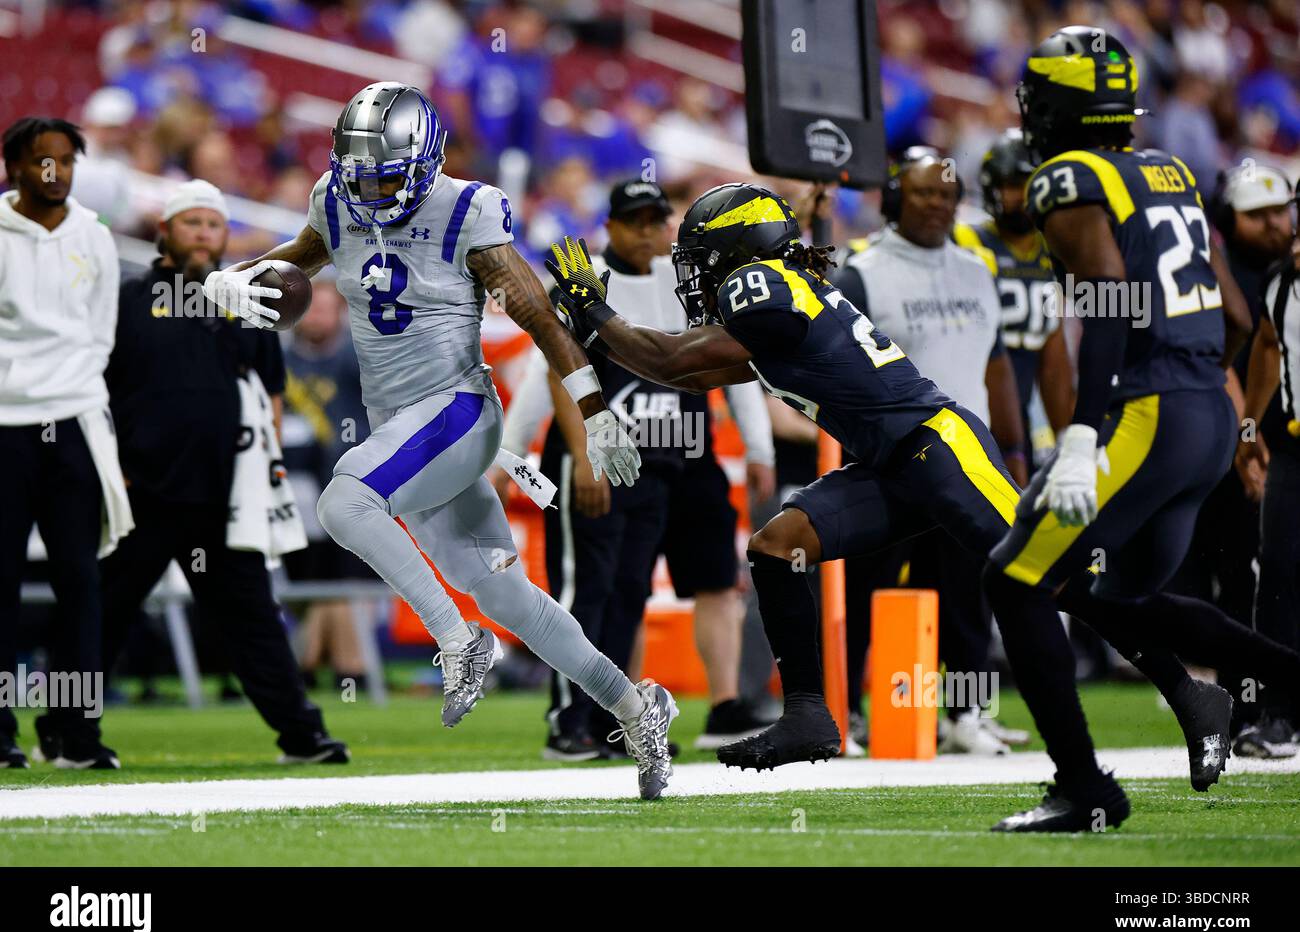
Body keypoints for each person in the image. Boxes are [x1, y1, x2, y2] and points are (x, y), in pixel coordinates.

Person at [547, 174, 1300, 830]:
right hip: (894, 462)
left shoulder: (762, 285)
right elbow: (687, 366)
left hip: (937, 447)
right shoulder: (780, 294)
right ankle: (809, 715)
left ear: (738, 253)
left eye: (702, 260)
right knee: (778, 545)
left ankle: (1197, 689)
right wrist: (602, 328)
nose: (696, 278)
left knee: (1064, 583)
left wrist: (594, 316)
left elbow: (675, 359)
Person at [202, 83, 676, 799]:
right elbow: (299, 258)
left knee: (344, 503)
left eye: (384, 177)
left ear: (426, 162)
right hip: (401, 427)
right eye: (358, 175)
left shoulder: (465, 210)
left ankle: (458, 641)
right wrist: (229, 280)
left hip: (457, 410)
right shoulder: (335, 200)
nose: (368, 191)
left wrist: (593, 410)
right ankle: (637, 709)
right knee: (508, 596)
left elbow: (540, 317)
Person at [983, 27, 1300, 832]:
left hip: (1149, 411)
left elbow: (1108, 302)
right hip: (1205, 409)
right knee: (1115, 595)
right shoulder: (1170, 172)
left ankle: (1084, 786)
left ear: (1056, 106)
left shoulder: (1069, 178)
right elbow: (1237, 315)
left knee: (1013, 577)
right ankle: (1246, 688)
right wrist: (1205, 393)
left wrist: (1084, 436)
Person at [503, 180, 774, 758]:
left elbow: (733, 364)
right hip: (600, 458)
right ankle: (567, 719)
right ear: (611, 226)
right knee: (586, 591)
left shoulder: (690, 283)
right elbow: (549, 370)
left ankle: (612, 718)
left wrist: (759, 447)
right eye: (636, 220)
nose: (649, 231)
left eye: (657, 220)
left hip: (665, 463)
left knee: (629, 591)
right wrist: (523, 451)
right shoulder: (585, 281)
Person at [93, 179, 349, 765]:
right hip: (143, 492)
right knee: (104, 611)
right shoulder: (127, 300)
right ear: (165, 231)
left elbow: (272, 393)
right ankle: (70, 733)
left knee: (254, 618)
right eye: (192, 222)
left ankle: (303, 736)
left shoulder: (247, 302)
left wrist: (266, 473)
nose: (204, 234)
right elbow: (97, 389)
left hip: (223, 496)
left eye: (214, 224)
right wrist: (111, 470)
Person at [834, 149, 1026, 756]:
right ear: (894, 199)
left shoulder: (977, 269)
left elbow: (996, 364)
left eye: (946, 194)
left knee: (969, 591)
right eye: (922, 193)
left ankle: (966, 714)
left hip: (968, 458)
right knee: (865, 587)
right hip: (889, 459)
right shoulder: (861, 273)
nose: (937, 204)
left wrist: (1012, 449)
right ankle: (848, 711)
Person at [0, 117, 124, 770]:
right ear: (13, 167)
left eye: (67, 161)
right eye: (41, 160)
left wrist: (72, 386)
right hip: (4, 425)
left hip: (75, 421)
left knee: (81, 580)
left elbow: (102, 333)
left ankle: (77, 733)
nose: (56, 173)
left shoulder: (94, 235)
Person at [1185, 162, 1297, 757]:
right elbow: (1246, 348)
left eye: (1282, 211)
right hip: (1261, 444)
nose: (1276, 225)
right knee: (1257, 576)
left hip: (1272, 441)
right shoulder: (1244, 278)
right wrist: (1246, 432)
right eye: (1260, 215)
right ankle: (1259, 712)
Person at [956, 128, 1075, 463]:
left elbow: (1053, 359)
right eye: (1013, 185)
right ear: (992, 186)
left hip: (1019, 417)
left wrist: (1067, 439)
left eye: (1031, 186)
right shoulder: (964, 239)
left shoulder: (1053, 253)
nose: (1023, 197)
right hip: (965, 408)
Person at [280, 278, 372, 691]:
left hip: (349, 483)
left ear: (340, 313)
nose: (316, 317)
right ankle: (333, 664)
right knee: (312, 582)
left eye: (324, 308)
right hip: (293, 488)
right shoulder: (279, 358)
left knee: (340, 577)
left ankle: (332, 664)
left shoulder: (357, 358)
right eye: (309, 308)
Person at [1236, 179, 1300, 755]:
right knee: (1277, 573)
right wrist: (1249, 426)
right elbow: (1266, 344)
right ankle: (1278, 715)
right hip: (1294, 450)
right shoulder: (1280, 282)